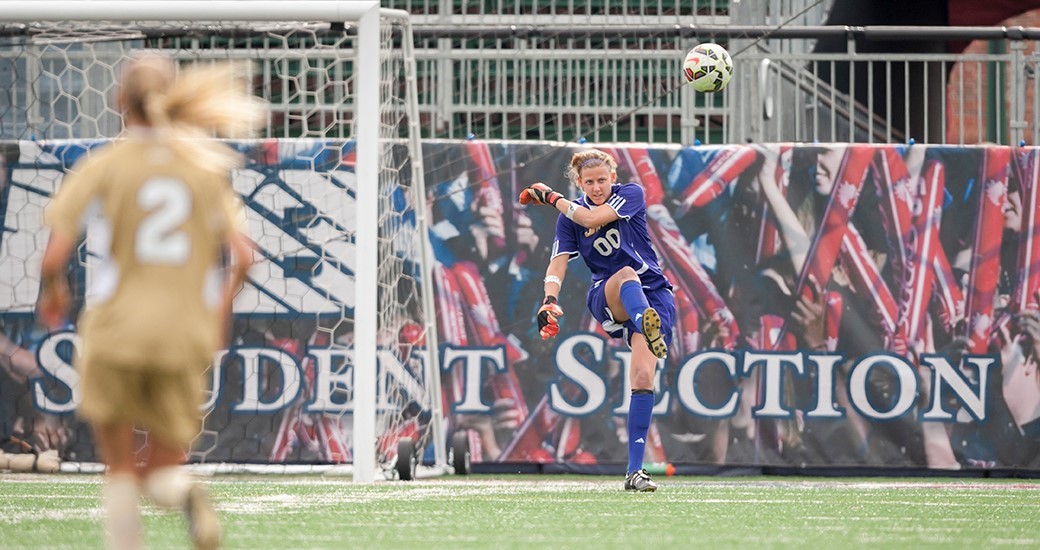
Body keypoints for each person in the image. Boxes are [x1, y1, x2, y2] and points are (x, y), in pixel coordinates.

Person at [36, 53, 262, 550]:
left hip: (116, 329)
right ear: (175, 97)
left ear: (119, 101)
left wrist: (55, 293)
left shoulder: (105, 164)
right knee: (161, 470)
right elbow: (244, 257)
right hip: (182, 333)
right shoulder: (203, 168)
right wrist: (217, 312)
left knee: (118, 468)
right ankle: (183, 492)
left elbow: (53, 257)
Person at [519, 148, 675, 492]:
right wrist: (549, 300)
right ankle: (643, 320)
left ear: (613, 178)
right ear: (580, 183)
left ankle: (635, 473)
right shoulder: (569, 217)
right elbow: (558, 262)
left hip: (655, 293)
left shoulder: (630, 194)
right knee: (623, 273)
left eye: (602, 180)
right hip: (609, 294)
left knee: (643, 376)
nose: (597, 187)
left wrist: (551, 197)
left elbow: (591, 220)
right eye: (589, 182)